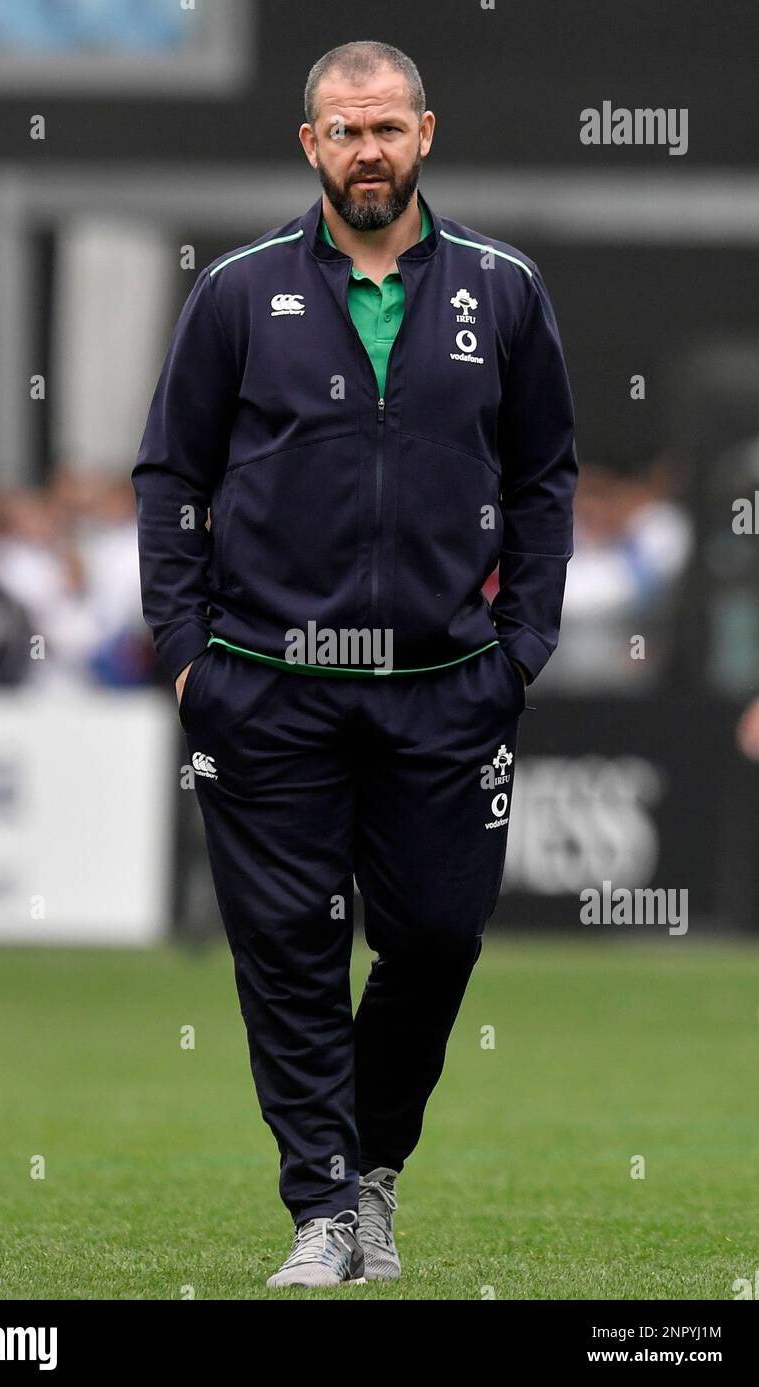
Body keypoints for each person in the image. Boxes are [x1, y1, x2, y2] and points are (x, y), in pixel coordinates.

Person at [132, 40, 578, 1289]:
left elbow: (544, 479)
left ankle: (371, 1166)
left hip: (448, 685)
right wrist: (183, 653)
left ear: (424, 133)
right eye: (343, 129)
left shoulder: (504, 289)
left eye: (385, 127)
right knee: (285, 947)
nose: (366, 150)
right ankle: (325, 1208)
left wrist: (521, 644)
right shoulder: (235, 290)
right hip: (265, 681)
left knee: (435, 936)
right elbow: (171, 476)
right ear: (308, 143)